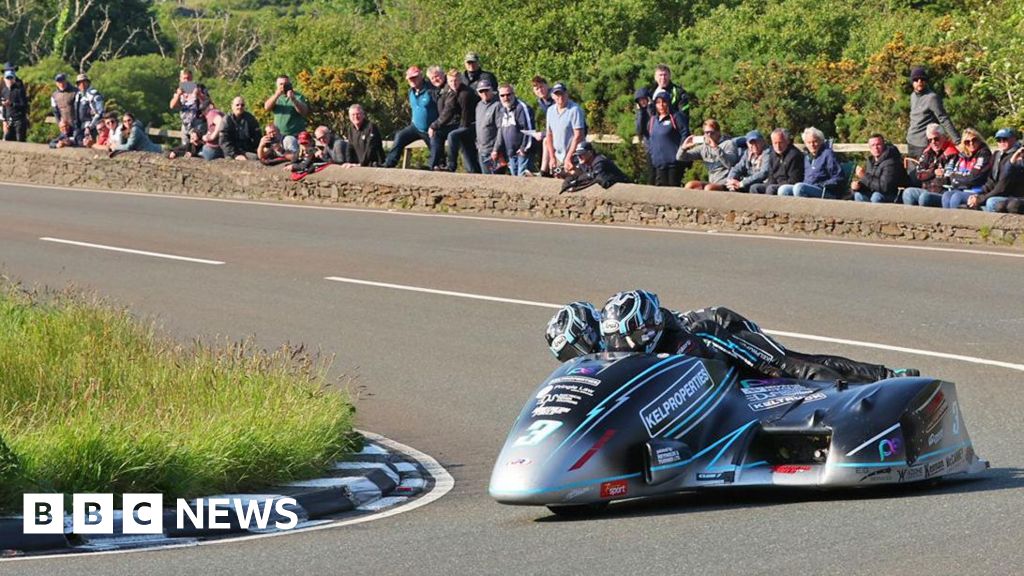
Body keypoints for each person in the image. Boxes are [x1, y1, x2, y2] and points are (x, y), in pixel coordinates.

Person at [546, 290, 919, 382]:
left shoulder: (685, 339)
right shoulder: (615, 334)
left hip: (720, 329)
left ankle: (882, 378)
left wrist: (766, 370)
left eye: (576, 349)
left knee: (786, 366)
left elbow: (746, 359)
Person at [383, 66, 437, 168]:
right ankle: (389, 164)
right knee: (400, 136)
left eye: (415, 77)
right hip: (415, 127)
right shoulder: (411, 92)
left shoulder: (431, 90)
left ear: (421, 76)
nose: (413, 80)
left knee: (436, 153)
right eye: (410, 78)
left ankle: (438, 166)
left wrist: (436, 125)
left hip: (430, 129)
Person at [964, 128, 1023, 212]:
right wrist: (978, 195)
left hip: (1012, 196)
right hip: (996, 193)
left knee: (991, 202)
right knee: (960, 197)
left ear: (1014, 139)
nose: (1002, 142)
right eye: (999, 140)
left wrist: (981, 199)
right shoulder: (997, 155)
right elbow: (991, 180)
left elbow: (1003, 186)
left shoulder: (1018, 156)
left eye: (1005, 139)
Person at [901, 123, 960, 208]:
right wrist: (933, 172)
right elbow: (919, 175)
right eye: (930, 140)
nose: (933, 142)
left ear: (944, 137)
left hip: (944, 193)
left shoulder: (952, 154)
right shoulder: (927, 153)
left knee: (925, 198)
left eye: (936, 139)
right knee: (908, 193)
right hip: (927, 189)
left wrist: (928, 173)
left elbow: (948, 179)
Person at [906, 67, 958, 159]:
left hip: (924, 144)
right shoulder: (913, 96)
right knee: (911, 172)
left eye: (922, 79)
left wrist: (957, 140)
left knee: (924, 171)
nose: (919, 81)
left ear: (926, 81)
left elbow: (944, 119)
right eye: (916, 79)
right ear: (912, 82)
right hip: (911, 141)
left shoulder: (932, 98)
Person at [778, 127, 844, 199]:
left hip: (825, 190)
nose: (812, 145)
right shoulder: (807, 156)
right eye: (809, 142)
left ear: (821, 141)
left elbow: (838, 177)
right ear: (805, 143)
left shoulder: (828, 154)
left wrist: (823, 184)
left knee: (799, 188)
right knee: (783, 189)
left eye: (815, 141)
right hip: (808, 186)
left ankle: (804, 210)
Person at [677, 118, 741, 190]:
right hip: (712, 182)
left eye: (712, 132)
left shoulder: (729, 144)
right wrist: (683, 148)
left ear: (718, 132)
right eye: (706, 133)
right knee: (690, 185)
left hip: (726, 182)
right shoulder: (703, 148)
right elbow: (680, 158)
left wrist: (716, 148)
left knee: (709, 188)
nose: (709, 135)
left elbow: (730, 164)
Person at [429, 69, 472, 170]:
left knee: (453, 135)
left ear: (460, 80)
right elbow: (447, 109)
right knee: (437, 133)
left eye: (456, 80)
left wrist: (434, 125)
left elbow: (451, 111)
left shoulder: (464, 93)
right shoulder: (450, 90)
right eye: (451, 81)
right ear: (447, 81)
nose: (454, 83)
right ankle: (433, 165)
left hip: (468, 124)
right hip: (456, 124)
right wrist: (436, 126)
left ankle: (451, 166)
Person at [942, 128, 992, 209]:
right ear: (964, 144)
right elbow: (950, 177)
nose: (971, 143)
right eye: (967, 142)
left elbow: (974, 177)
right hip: (962, 189)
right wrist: (958, 177)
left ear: (979, 140)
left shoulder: (984, 154)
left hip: (978, 191)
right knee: (946, 195)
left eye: (974, 140)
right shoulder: (962, 156)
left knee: (956, 197)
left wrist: (956, 177)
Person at [645, 92, 688, 187]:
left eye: (664, 102)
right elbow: (650, 138)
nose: (661, 105)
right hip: (659, 164)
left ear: (668, 103)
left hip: (674, 164)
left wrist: (681, 152)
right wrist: (652, 154)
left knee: (673, 191)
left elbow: (685, 134)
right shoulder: (652, 120)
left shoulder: (676, 117)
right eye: (658, 102)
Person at [851, 134, 908, 203]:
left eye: (878, 144)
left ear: (884, 145)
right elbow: (870, 182)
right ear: (869, 148)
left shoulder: (891, 162)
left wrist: (864, 176)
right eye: (873, 145)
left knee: (876, 196)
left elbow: (884, 187)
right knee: (858, 195)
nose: (876, 147)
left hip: (893, 195)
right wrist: (858, 186)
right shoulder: (870, 161)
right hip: (876, 192)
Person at [544, 83, 586, 176]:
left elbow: (578, 135)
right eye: (557, 94)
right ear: (552, 96)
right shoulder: (550, 111)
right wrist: (552, 157)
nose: (560, 97)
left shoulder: (575, 110)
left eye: (562, 94)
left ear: (567, 94)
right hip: (558, 156)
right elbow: (549, 135)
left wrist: (568, 157)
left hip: (574, 155)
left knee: (574, 181)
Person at [493, 83, 534, 176]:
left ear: (514, 94)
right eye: (502, 95)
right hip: (511, 153)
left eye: (508, 94)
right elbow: (501, 130)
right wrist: (496, 149)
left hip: (523, 152)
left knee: (523, 180)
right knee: (514, 180)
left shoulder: (521, 108)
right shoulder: (502, 109)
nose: (505, 98)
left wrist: (524, 148)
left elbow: (529, 129)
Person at [263, 74, 310, 153]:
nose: (283, 86)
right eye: (281, 84)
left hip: (295, 135)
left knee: (291, 149)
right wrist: (277, 95)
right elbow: (267, 107)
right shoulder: (276, 98)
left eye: (285, 84)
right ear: (277, 86)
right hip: (278, 135)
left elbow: (304, 112)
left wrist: (293, 99)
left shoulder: (298, 96)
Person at [750, 128, 804, 195]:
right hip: (775, 184)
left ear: (787, 141)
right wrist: (770, 184)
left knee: (771, 189)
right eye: (775, 143)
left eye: (780, 143)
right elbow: (771, 177)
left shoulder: (794, 155)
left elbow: (794, 180)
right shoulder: (772, 154)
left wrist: (773, 185)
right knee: (754, 188)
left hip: (788, 185)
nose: (778, 146)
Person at [560, 141, 629, 193]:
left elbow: (592, 176)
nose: (579, 157)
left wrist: (576, 182)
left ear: (590, 153)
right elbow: (577, 174)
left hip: (623, 188)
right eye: (578, 155)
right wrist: (568, 180)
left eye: (582, 154)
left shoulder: (600, 161)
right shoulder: (584, 162)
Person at [219, 96, 261, 160]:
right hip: (231, 152)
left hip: (246, 150)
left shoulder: (250, 118)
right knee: (230, 161)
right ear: (232, 106)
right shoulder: (226, 120)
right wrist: (235, 155)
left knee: (255, 158)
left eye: (242, 105)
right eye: (237, 105)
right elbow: (224, 141)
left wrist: (259, 147)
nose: (240, 107)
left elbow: (257, 135)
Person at [474, 80, 501, 174]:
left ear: (491, 90)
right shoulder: (479, 105)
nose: (484, 93)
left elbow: (500, 129)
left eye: (486, 90)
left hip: (493, 152)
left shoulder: (497, 105)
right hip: (481, 150)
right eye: (481, 91)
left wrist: (496, 150)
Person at [531, 76, 556, 176]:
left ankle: (543, 171)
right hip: (553, 130)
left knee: (546, 140)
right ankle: (543, 170)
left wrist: (545, 133)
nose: (540, 90)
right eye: (537, 88)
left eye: (542, 86)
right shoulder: (541, 101)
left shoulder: (554, 97)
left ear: (547, 85)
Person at [169, 69, 199, 146]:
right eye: (184, 78)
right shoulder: (179, 91)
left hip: (197, 123)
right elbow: (172, 105)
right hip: (185, 124)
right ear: (180, 79)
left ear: (192, 78)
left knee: (196, 146)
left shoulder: (198, 88)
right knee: (185, 146)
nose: (186, 81)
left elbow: (208, 103)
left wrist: (198, 94)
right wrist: (178, 95)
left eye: (188, 78)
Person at [72, 73, 104, 142]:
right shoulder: (78, 95)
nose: (82, 85)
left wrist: (90, 126)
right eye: (79, 83)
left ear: (88, 83)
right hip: (81, 127)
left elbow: (99, 113)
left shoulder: (94, 95)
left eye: (84, 82)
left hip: (93, 127)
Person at [1, 68, 29, 141]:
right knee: (7, 140)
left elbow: (24, 106)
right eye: (8, 78)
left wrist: (12, 104)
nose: (9, 80)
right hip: (9, 121)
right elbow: (3, 107)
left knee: (20, 141)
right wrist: (4, 120)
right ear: (4, 79)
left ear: (14, 78)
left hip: (19, 121)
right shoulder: (4, 91)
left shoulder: (19, 90)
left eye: (11, 77)